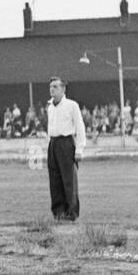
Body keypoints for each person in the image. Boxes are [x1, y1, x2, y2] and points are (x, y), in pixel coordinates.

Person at [45, 77, 85, 221]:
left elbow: (80, 127)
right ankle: (58, 211)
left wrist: (79, 149)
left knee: (69, 179)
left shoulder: (71, 105)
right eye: (50, 87)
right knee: (54, 179)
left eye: (55, 86)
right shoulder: (50, 107)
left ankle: (71, 212)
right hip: (53, 143)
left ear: (63, 89)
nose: (52, 89)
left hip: (66, 143)